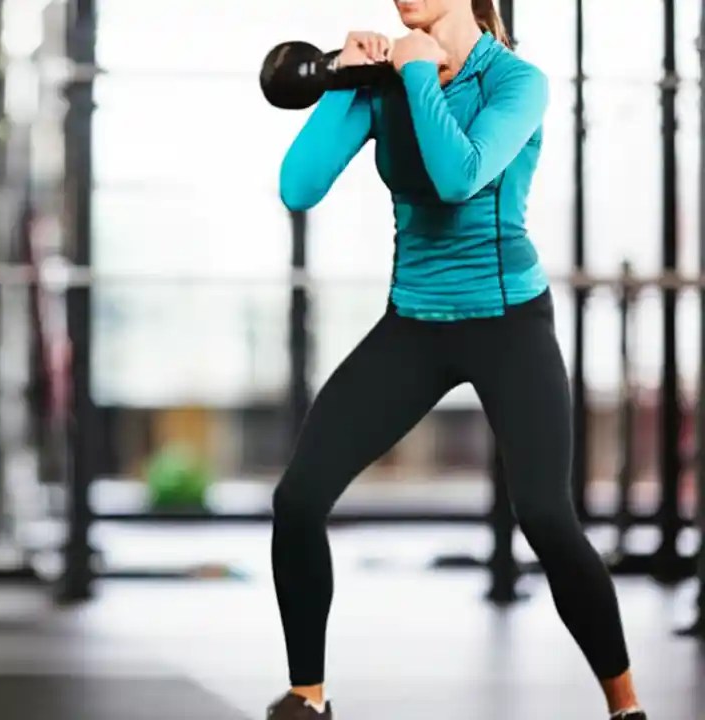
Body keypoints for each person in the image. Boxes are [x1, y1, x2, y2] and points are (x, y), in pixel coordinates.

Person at [267, 1, 647, 719]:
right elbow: (298, 187)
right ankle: (307, 699)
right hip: (414, 322)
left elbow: (459, 178)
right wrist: (350, 80)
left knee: (544, 514)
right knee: (298, 498)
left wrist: (414, 74)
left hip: (508, 321)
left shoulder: (516, 82)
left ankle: (626, 707)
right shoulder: (382, 79)